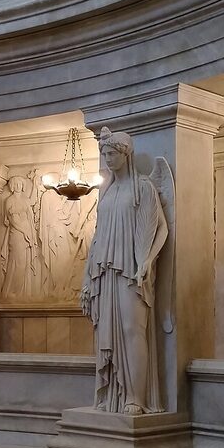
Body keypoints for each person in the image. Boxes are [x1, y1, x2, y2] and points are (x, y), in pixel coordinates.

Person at [81, 128, 168, 415]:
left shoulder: (142, 187)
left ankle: (136, 397)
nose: (107, 159)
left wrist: (147, 261)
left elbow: (160, 229)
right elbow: (97, 237)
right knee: (106, 333)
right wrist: (86, 279)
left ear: (125, 154)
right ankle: (113, 394)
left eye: (112, 154)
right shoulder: (106, 192)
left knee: (133, 331)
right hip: (104, 272)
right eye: (104, 154)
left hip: (132, 270)